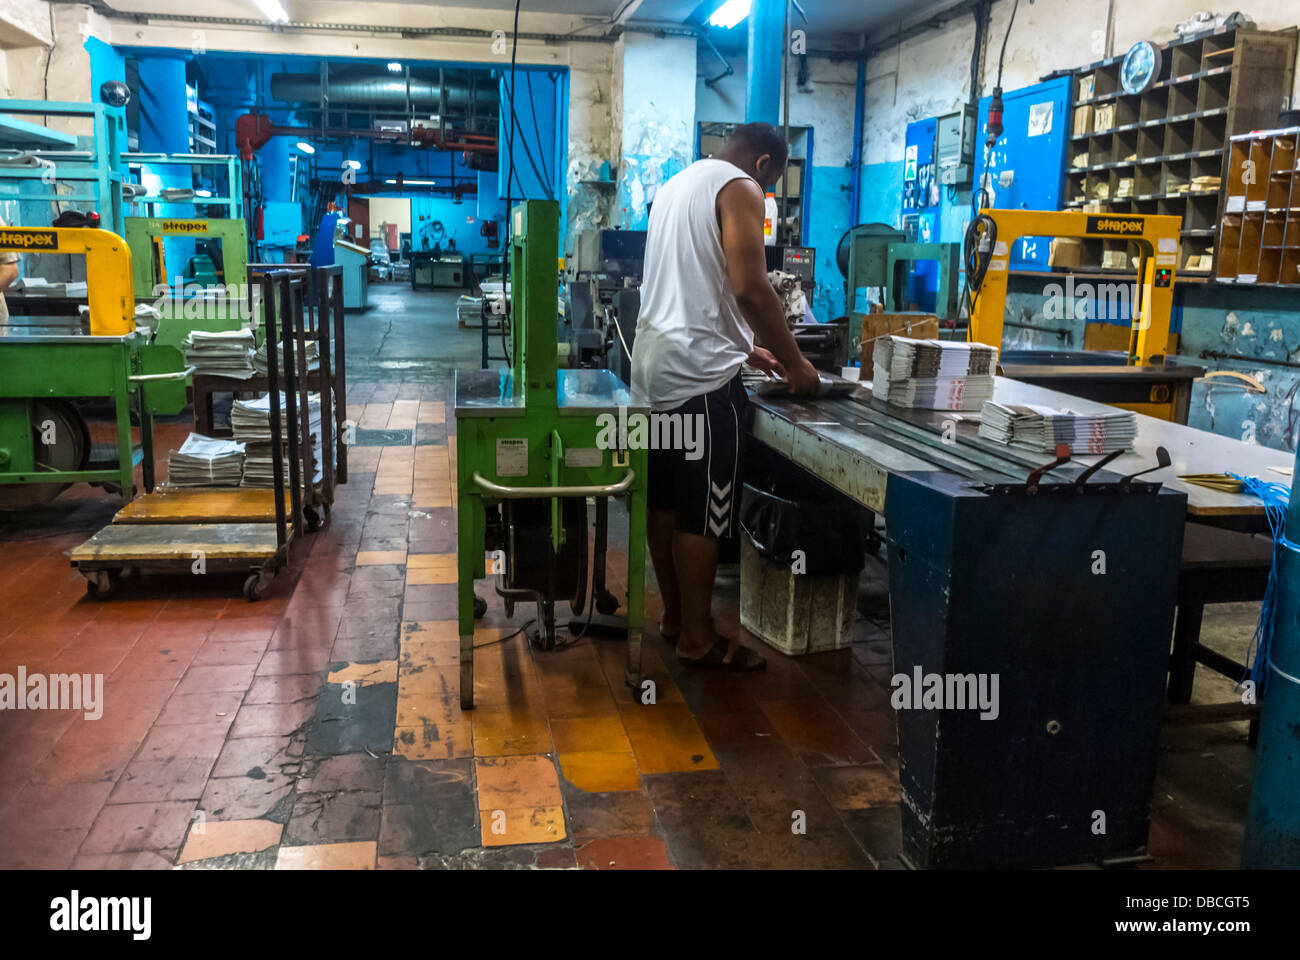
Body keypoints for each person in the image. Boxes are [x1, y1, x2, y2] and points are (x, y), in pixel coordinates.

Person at [631, 121, 820, 671]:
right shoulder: (742, 189)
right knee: (705, 514)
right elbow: (749, 286)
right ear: (764, 165)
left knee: (664, 501)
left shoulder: (675, 186)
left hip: (655, 369)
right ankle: (698, 636)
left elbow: (698, 285)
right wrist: (795, 364)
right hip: (702, 383)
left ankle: (673, 617)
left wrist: (745, 349)